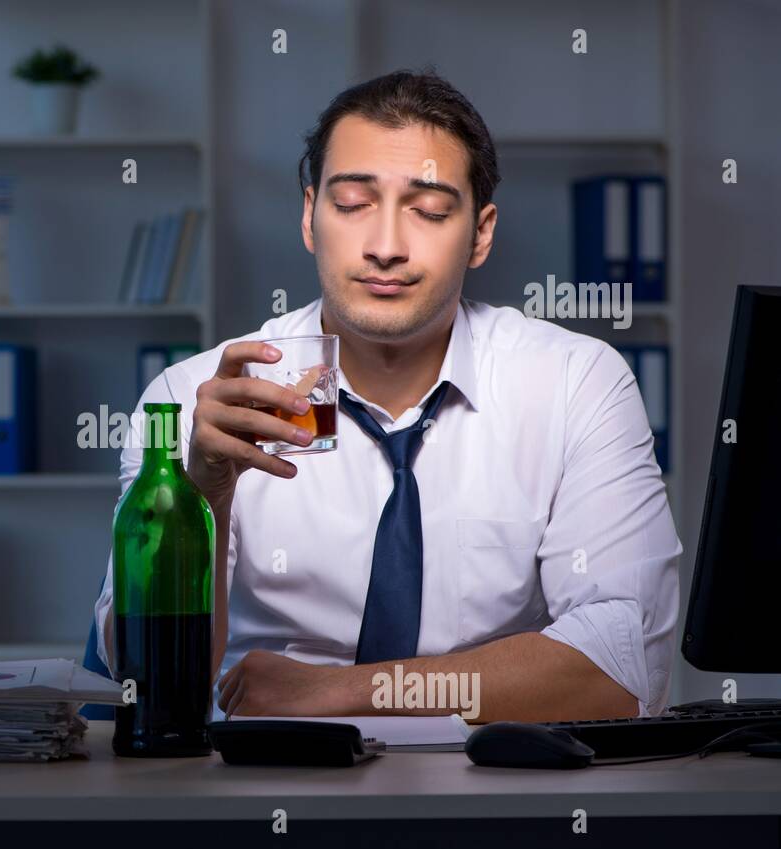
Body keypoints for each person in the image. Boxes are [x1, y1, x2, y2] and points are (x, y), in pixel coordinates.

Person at [95, 69, 681, 723]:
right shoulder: (193, 398)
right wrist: (203, 497)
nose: (385, 247)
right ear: (310, 218)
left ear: (481, 234)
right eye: (351, 205)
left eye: (429, 211)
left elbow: (626, 670)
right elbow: (140, 684)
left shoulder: (577, 383)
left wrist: (338, 691)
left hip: (489, 792)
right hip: (251, 789)